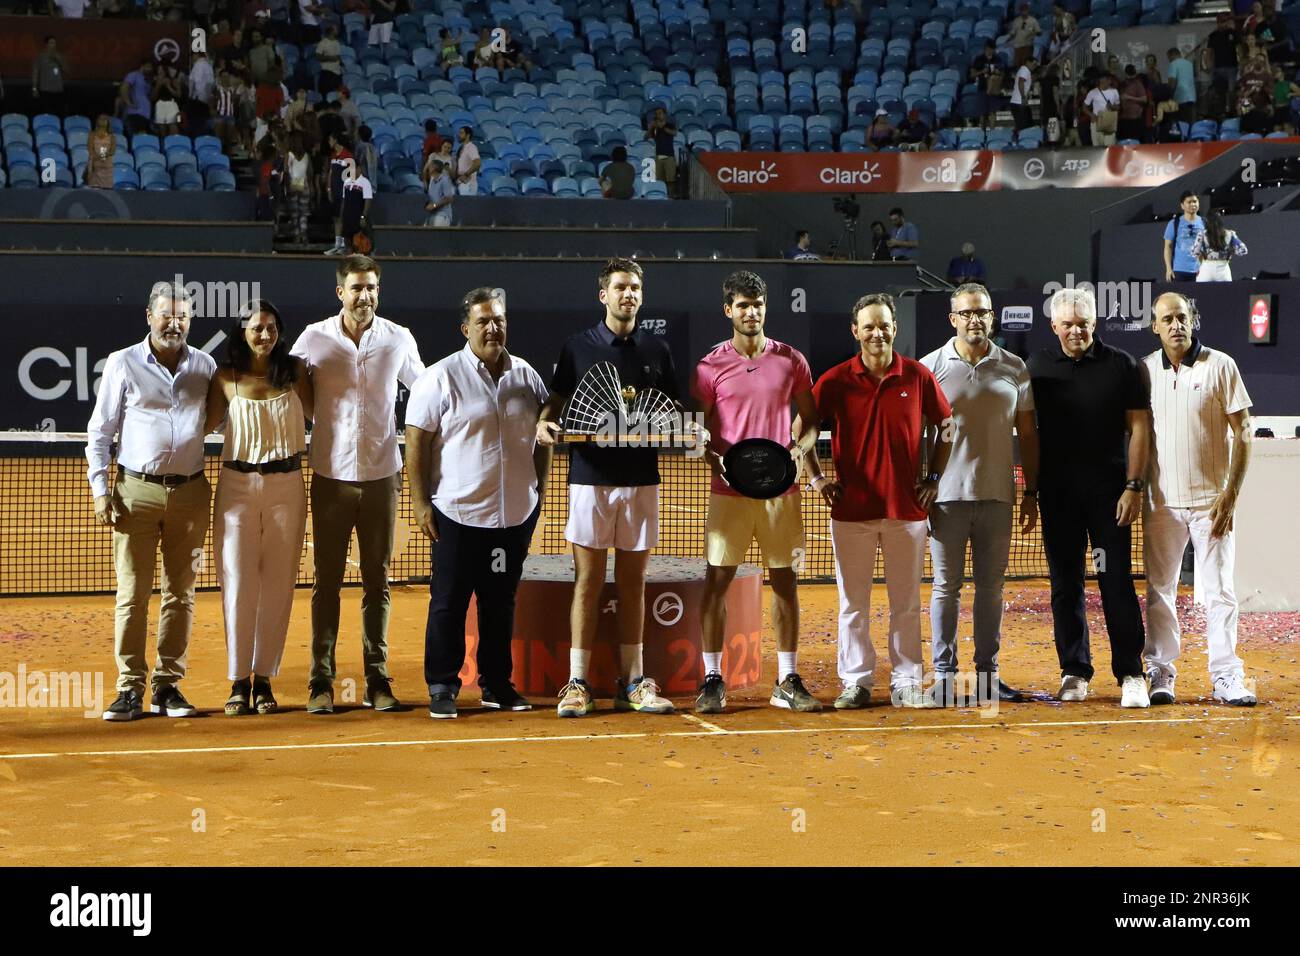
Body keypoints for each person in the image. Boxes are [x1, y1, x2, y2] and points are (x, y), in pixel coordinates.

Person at [536, 258, 681, 718]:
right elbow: (554, 407)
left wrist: (686, 429)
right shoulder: (577, 347)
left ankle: (633, 681)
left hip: (641, 480)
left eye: (636, 287)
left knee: (635, 582)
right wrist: (544, 427)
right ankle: (577, 683)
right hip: (590, 481)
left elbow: (673, 410)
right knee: (589, 581)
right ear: (604, 295)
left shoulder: (657, 349)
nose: (629, 295)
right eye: (620, 287)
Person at [406, 288, 552, 719]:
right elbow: (416, 441)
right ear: (465, 328)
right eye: (483, 321)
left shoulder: (527, 376)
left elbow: (543, 433)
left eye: (499, 320)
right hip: (457, 515)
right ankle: (442, 685)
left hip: (511, 518)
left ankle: (496, 685)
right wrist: (420, 503)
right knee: (449, 602)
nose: (493, 328)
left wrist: (538, 489)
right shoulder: (440, 377)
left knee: (499, 603)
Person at [802, 293, 953, 710]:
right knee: (853, 604)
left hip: (907, 512)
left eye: (883, 325)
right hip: (852, 512)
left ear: (894, 328)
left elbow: (948, 426)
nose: (877, 332)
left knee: (905, 601)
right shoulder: (834, 380)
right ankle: (857, 681)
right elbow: (804, 427)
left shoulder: (918, 376)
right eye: (868, 326)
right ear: (856, 331)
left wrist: (935, 478)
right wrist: (816, 477)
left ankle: (906, 680)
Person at [289, 255, 424, 714]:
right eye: (356, 288)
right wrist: (315, 415)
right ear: (340, 292)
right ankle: (320, 683)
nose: (364, 296)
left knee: (377, 582)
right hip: (329, 477)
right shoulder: (313, 337)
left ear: (377, 291)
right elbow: (289, 383)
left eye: (371, 288)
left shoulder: (398, 338)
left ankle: (377, 679)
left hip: (383, 476)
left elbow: (424, 390)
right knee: (325, 583)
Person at [692, 271, 822, 713]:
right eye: (743, 305)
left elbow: (812, 421)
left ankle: (787, 679)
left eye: (758, 304)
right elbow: (699, 431)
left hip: (780, 496)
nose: (752, 312)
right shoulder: (710, 366)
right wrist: (718, 463)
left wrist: (798, 451)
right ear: (728, 310)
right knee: (716, 583)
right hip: (728, 496)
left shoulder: (792, 360)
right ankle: (712, 678)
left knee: (785, 582)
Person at [86, 282, 216, 722]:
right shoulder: (123, 363)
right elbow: (100, 433)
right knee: (133, 595)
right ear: (149, 316)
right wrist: (101, 490)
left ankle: (168, 686)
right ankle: (129, 687)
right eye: (166, 314)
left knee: (181, 594)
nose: (173, 323)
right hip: (135, 494)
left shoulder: (205, 365)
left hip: (193, 495)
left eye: (182, 316)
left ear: (191, 321)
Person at [1028, 287, 1151, 708]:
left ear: (1094, 323)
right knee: (1066, 583)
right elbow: (1029, 432)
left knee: (1114, 580)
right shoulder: (1038, 368)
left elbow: (1139, 429)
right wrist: (1030, 489)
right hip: (1059, 497)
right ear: (1054, 326)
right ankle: (1074, 671)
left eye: (1083, 323)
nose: (1076, 330)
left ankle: (1131, 673)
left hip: (1109, 496)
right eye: (1068, 324)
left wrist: (1134, 486)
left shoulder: (1123, 366)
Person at [919, 284, 1040, 706]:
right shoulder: (929, 367)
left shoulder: (1015, 368)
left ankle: (988, 676)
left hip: (998, 497)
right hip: (945, 499)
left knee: (992, 589)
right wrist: (923, 483)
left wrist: (1031, 492)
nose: (975, 320)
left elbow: (1027, 433)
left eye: (982, 313)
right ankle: (945, 677)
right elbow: (914, 433)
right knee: (945, 587)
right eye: (967, 313)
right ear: (953, 318)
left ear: (992, 317)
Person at [1142, 293, 1257, 707]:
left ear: (1194, 319)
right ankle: (1160, 671)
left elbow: (1244, 434)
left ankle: (1227, 676)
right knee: (1160, 591)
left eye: (1182, 317)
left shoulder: (1222, 366)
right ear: (1155, 326)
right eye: (1167, 319)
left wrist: (1230, 495)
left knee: (1220, 591)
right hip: (1160, 504)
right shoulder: (1145, 371)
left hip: (1212, 503)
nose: (1176, 325)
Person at [205, 301, 313, 717]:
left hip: (288, 486)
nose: (264, 335)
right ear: (242, 333)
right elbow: (200, 427)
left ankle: (264, 679)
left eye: (270, 328)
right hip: (235, 489)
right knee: (237, 582)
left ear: (279, 332)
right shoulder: (224, 377)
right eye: (256, 328)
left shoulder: (297, 373)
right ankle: (238, 681)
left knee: (278, 585)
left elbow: (326, 414)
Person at [1189, 210, 1247, 282]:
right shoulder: (1230, 234)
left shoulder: (1202, 234)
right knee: (1226, 292)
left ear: (1207, 222)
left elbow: (1194, 253)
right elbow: (1243, 250)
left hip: (1207, 268)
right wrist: (1231, 251)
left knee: (1201, 292)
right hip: (1223, 268)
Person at [323, 132, 354, 255]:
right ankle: (337, 245)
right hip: (335, 191)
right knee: (336, 218)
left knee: (342, 218)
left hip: (344, 192)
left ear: (335, 140)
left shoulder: (347, 156)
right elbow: (330, 173)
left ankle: (344, 246)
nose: (329, 142)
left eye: (330, 139)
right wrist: (329, 189)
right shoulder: (333, 155)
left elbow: (351, 177)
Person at [1163, 190, 1204, 282]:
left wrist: (1204, 266)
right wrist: (1168, 268)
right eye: (1189, 202)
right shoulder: (1174, 223)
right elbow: (1167, 247)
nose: (1193, 204)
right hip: (1179, 270)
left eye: (1195, 201)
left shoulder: (1204, 223)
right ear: (1182, 205)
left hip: (1200, 270)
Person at [284, 133, 313, 244]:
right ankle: (303, 234)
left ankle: (297, 235)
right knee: (303, 212)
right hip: (304, 183)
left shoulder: (289, 155)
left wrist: (287, 187)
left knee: (295, 213)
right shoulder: (306, 155)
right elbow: (310, 173)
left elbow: (286, 172)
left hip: (294, 183)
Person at [339, 160, 373, 252]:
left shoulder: (365, 182)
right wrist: (342, 217)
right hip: (347, 217)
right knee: (347, 242)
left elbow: (368, 201)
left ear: (359, 168)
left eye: (354, 168)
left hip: (357, 217)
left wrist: (363, 216)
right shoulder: (346, 182)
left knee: (358, 243)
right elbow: (344, 201)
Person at [31, 36, 69, 118]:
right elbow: (35, 72)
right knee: (47, 113)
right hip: (45, 90)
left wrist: (59, 60)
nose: (53, 45)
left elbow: (67, 71)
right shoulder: (40, 57)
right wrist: (34, 88)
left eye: (55, 43)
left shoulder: (59, 56)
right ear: (46, 44)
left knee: (58, 114)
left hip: (58, 90)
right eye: (51, 43)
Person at [645, 106, 678, 196]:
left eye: (660, 113)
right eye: (657, 114)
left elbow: (674, 133)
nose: (658, 115)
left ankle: (670, 196)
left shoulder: (669, 124)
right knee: (659, 181)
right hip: (658, 156)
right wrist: (651, 127)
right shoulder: (655, 128)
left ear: (664, 114)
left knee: (671, 180)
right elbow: (646, 137)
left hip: (669, 156)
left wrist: (663, 127)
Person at [1208, 13, 1240, 103]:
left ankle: (1231, 110)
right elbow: (1209, 51)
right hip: (1217, 67)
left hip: (1232, 66)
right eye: (1220, 22)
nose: (1222, 24)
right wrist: (1209, 63)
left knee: (1231, 90)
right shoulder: (1213, 35)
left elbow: (1239, 48)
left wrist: (1241, 62)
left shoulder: (1233, 33)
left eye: (1223, 21)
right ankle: (1220, 111)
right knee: (1217, 91)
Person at [1083, 73, 1120, 146]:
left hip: (1109, 121)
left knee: (1109, 146)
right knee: (1097, 146)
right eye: (1108, 80)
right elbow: (1084, 106)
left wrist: (1112, 107)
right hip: (1096, 121)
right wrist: (1091, 115)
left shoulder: (1114, 91)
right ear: (1101, 81)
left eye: (1110, 80)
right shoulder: (1093, 92)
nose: (1110, 82)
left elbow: (1118, 107)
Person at [1118, 65, 1150, 143]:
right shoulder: (1123, 84)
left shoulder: (1137, 84)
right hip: (1124, 118)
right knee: (1124, 142)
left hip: (1135, 119)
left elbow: (1144, 99)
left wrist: (1129, 97)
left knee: (1135, 142)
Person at [1167, 47, 1197, 125]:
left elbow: (1172, 83)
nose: (1169, 60)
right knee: (1191, 122)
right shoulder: (1189, 63)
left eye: (1168, 58)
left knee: (1181, 123)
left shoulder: (1173, 64)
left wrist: (1169, 96)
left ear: (1171, 55)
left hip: (1180, 97)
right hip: (1192, 96)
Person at [85, 114, 116, 189]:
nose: (102, 121)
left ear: (107, 122)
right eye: (100, 119)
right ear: (97, 121)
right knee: (94, 187)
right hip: (94, 163)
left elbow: (113, 151)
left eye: (104, 119)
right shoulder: (92, 134)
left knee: (107, 189)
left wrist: (104, 155)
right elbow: (90, 149)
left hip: (107, 165)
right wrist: (97, 157)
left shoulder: (112, 136)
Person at [423, 157, 455, 226]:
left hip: (442, 215)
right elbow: (424, 173)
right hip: (432, 215)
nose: (428, 167)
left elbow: (449, 198)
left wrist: (434, 205)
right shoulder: (431, 180)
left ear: (434, 167)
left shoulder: (445, 180)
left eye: (430, 165)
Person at [1009, 3, 1040, 69]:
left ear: (1028, 10)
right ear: (1020, 11)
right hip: (1018, 46)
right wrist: (1008, 40)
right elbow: (1013, 33)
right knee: (1017, 64)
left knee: (1027, 65)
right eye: (1022, 10)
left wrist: (1032, 32)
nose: (1024, 12)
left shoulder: (1033, 21)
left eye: (1025, 10)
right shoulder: (1016, 21)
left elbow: (1039, 32)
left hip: (1028, 45)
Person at [1009, 56, 1036, 133]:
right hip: (1019, 102)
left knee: (1024, 124)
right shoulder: (1025, 70)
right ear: (1028, 62)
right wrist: (1023, 97)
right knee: (1023, 126)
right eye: (1033, 64)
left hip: (1017, 102)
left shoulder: (1024, 70)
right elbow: (1021, 82)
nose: (1034, 67)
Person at [453, 124, 481, 196]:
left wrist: (466, 175)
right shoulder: (462, 148)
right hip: (460, 182)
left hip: (468, 183)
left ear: (468, 135)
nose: (459, 135)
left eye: (461, 133)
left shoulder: (471, 147)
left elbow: (477, 163)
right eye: (459, 133)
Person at [316, 24, 343, 96]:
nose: (337, 30)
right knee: (326, 94)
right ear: (331, 31)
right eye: (335, 29)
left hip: (337, 73)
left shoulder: (337, 43)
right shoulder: (322, 43)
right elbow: (318, 57)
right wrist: (329, 58)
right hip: (327, 72)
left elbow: (338, 56)